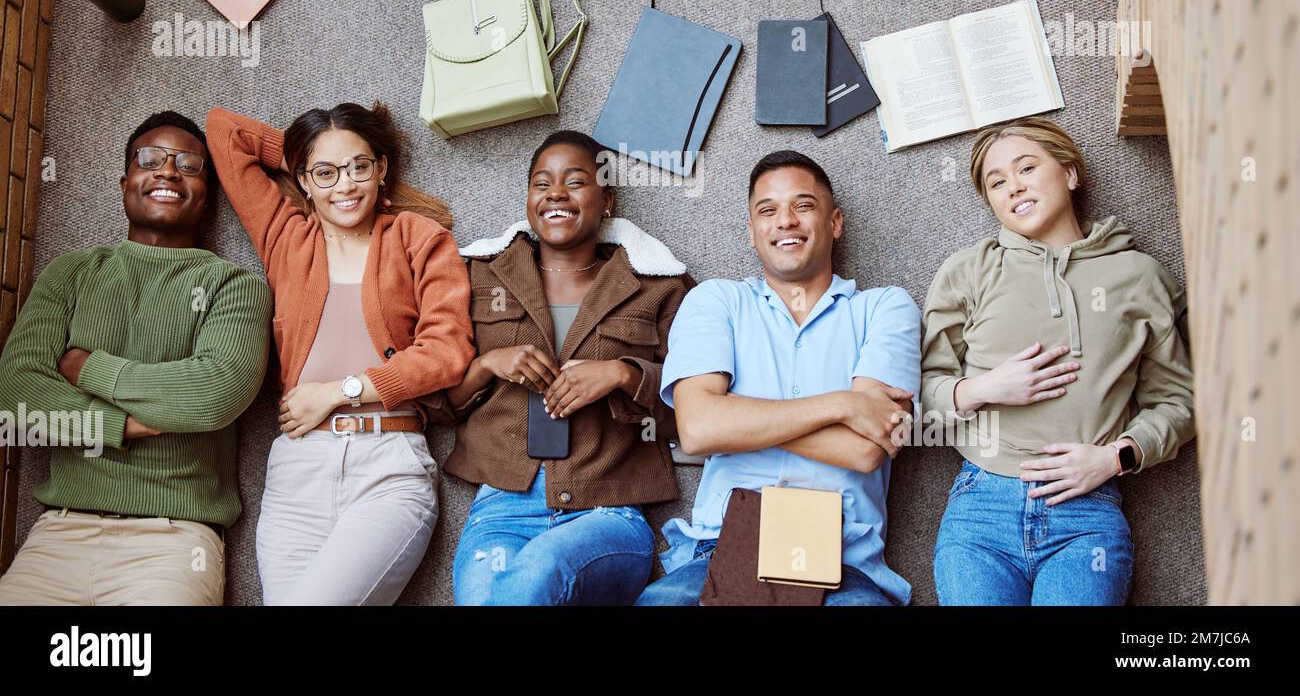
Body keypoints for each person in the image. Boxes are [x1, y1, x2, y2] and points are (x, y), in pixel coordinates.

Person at [206, 104, 474, 605]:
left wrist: (340, 392)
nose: (346, 186)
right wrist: (309, 155)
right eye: (326, 173)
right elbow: (226, 132)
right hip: (296, 474)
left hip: (388, 468)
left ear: (382, 168)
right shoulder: (285, 237)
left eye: (358, 167)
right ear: (302, 180)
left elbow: (447, 351)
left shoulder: (420, 238)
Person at [921, 116, 1195, 605]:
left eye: (1027, 167)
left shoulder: (1141, 276)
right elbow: (916, 392)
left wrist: (1115, 457)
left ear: (1070, 173)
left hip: (1086, 511)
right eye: (996, 182)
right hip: (981, 506)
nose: (1014, 187)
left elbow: (1180, 400)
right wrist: (982, 388)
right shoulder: (969, 271)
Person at [0, 111, 271, 605]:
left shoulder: (234, 285)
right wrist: (119, 425)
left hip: (173, 541)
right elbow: (17, 394)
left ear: (207, 195)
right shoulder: (71, 272)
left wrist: (88, 368)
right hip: (58, 536)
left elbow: (213, 393)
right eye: (150, 159)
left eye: (189, 165)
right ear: (126, 182)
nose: (168, 171)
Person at [636, 150, 920, 606]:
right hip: (718, 550)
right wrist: (842, 405)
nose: (785, 220)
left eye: (803, 206)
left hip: (842, 565)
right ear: (752, 232)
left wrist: (735, 412)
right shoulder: (716, 301)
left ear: (835, 223)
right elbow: (698, 428)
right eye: (767, 210)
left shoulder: (886, 308)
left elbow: (864, 449)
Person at [424, 130, 692, 605]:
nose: (555, 194)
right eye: (541, 183)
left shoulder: (659, 286)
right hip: (501, 510)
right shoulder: (479, 274)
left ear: (606, 199)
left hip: (606, 514)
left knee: (537, 574)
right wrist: (489, 364)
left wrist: (625, 375)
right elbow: (440, 405)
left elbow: (690, 416)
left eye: (575, 181)